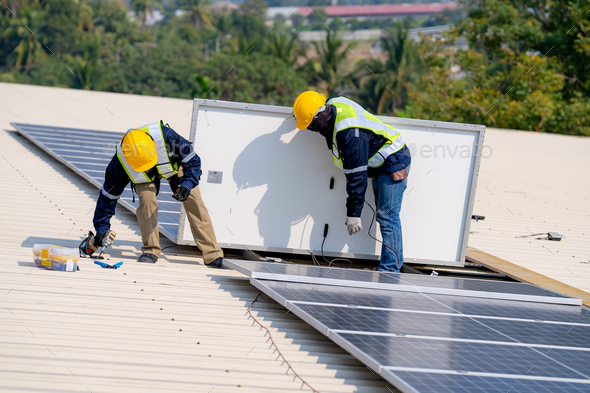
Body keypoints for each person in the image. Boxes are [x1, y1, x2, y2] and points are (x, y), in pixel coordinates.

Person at [293, 92, 411, 272]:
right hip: (382, 162)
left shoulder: (350, 136)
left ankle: (390, 271)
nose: (313, 130)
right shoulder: (332, 104)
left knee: (387, 216)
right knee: (385, 215)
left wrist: (354, 214)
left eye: (311, 125)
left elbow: (357, 177)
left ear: (320, 117)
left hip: (393, 163)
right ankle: (392, 266)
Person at [86, 120, 224, 268]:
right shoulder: (120, 162)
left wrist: (187, 184)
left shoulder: (169, 138)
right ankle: (150, 250)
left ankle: (212, 253)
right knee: (146, 200)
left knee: (194, 199)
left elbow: (193, 161)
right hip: (144, 175)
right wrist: (102, 228)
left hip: (172, 167)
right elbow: (108, 196)